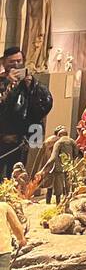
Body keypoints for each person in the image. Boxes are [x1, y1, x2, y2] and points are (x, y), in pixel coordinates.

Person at [0, 45, 52, 180]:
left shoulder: (30, 83)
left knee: (19, 174)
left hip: (24, 138)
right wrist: (8, 84)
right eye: (12, 61)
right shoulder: (2, 82)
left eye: (19, 61)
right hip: (3, 137)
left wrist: (31, 84)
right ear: (4, 62)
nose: (16, 64)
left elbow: (45, 104)